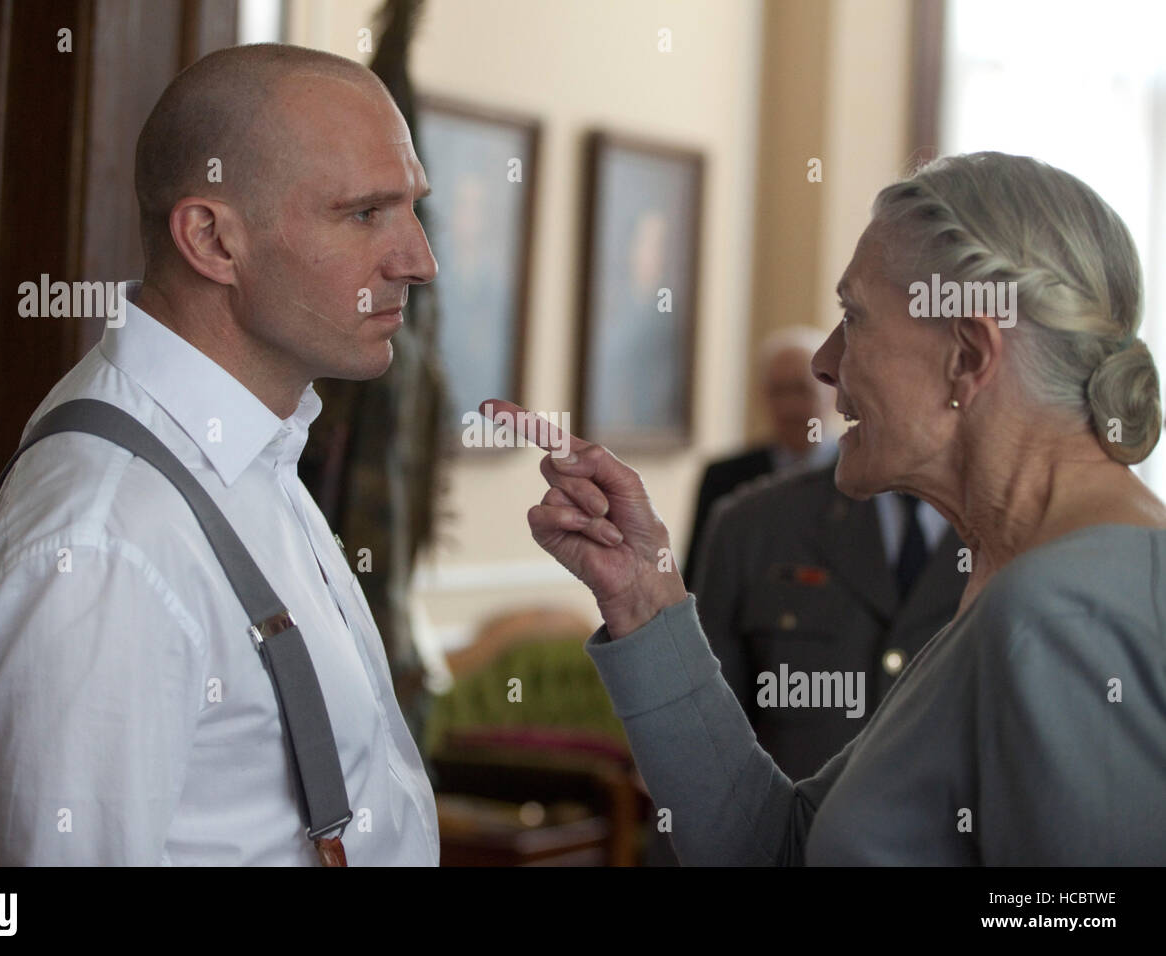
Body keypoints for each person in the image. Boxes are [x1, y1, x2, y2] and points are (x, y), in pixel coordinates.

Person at [489, 151, 1166, 864]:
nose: (825, 361)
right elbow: (779, 849)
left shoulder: (1069, 614)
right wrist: (643, 595)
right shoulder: (1037, 587)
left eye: (854, 317)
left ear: (967, 355)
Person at [0, 44, 440, 865]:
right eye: (365, 214)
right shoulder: (105, 538)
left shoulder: (256, 452)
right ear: (212, 239)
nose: (419, 261)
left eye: (412, 208)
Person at [691, 462, 963, 781]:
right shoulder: (755, 524)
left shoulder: (1023, 536)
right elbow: (703, 749)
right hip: (798, 827)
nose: (844, 408)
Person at [684, 326, 836, 577]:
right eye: (778, 392)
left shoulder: (861, 476)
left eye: (801, 390)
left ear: (832, 393)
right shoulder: (724, 478)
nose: (789, 407)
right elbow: (699, 574)